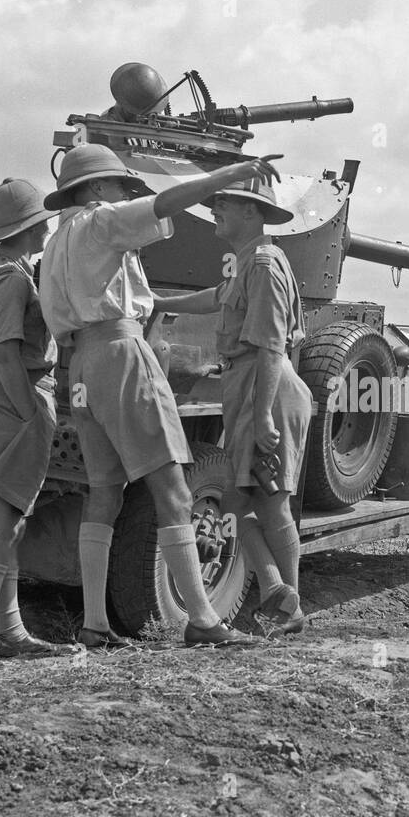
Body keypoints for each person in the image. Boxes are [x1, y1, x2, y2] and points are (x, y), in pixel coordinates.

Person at [39, 143, 283, 648]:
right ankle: (203, 619)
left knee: (103, 493)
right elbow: (163, 206)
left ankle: (94, 623)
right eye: (120, 185)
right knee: (174, 490)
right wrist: (227, 175)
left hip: (80, 365)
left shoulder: (58, 238)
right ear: (99, 188)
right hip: (121, 352)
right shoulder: (101, 219)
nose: (126, 193)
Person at [160, 175, 312, 634]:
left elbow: (270, 347)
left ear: (251, 212)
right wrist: (163, 303)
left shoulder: (262, 265)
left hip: (266, 389)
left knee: (269, 503)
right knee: (237, 503)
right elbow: (218, 299)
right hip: (250, 386)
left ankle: (289, 606)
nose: (213, 209)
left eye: (223, 202)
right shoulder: (249, 262)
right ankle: (278, 595)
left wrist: (263, 412)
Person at [0, 178, 79, 659]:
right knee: (4, 522)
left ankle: (7, 632)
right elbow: (8, 354)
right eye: (44, 220)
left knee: (8, 522)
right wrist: (30, 413)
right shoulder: (12, 278)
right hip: (16, 394)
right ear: (33, 226)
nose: (50, 227)